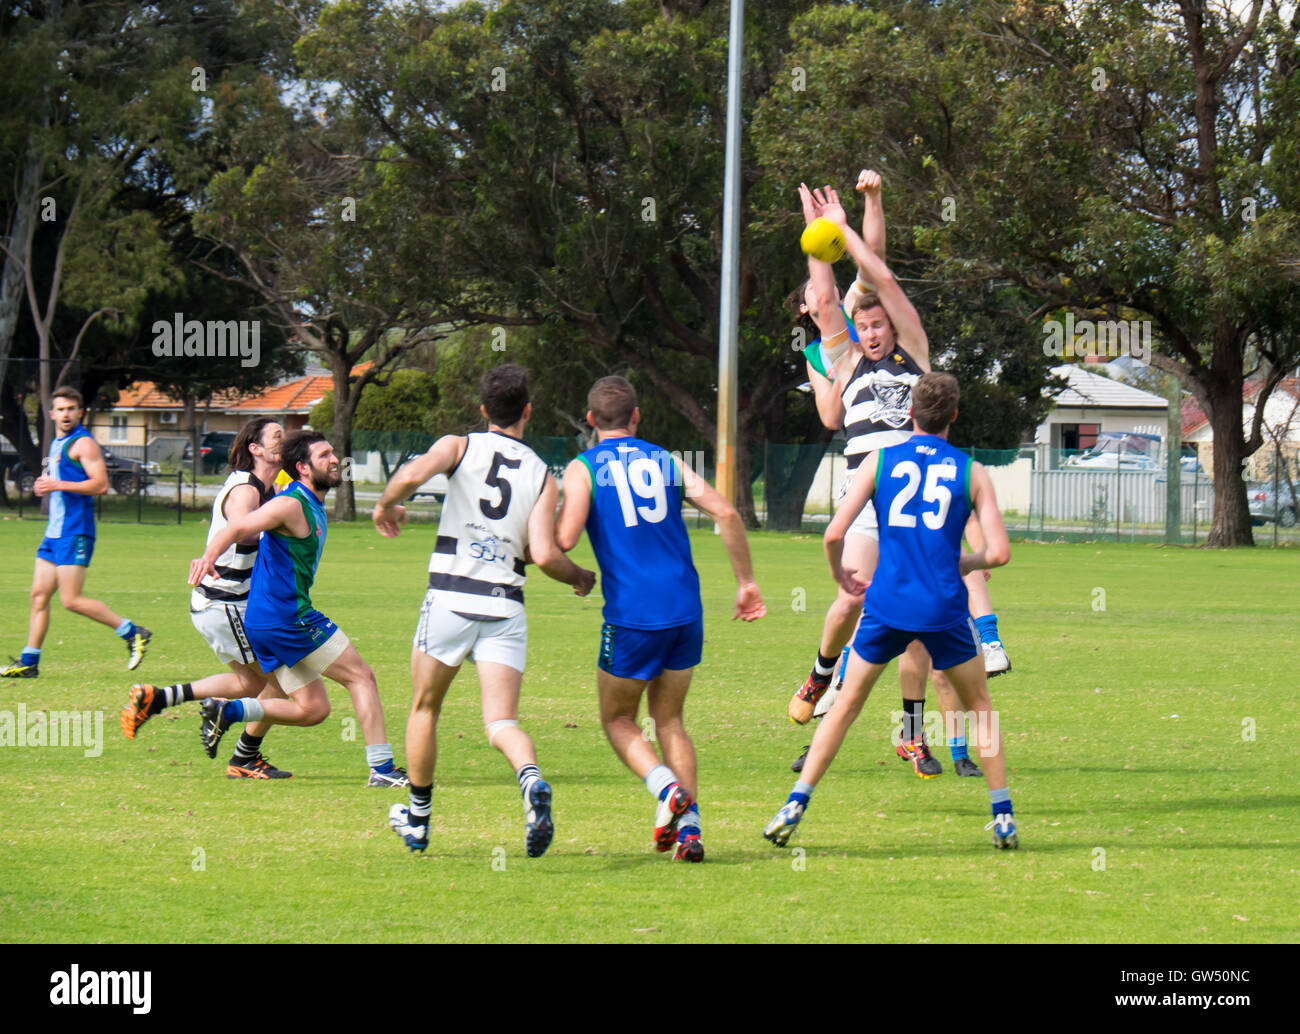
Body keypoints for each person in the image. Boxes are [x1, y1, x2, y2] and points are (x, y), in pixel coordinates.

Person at [785, 176, 1010, 782]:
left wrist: (858, 217)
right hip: (867, 497)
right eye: (869, 325)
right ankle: (821, 671)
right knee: (849, 599)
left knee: (915, 635)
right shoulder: (846, 358)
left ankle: (913, 735)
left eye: (883, 323)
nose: (876, 330)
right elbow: (828, 301)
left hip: (919, 503)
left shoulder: (916, 354)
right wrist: (818, 238)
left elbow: (879, 274)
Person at [764, 372, 1019, 850]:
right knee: (980, 707)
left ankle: (795, 804)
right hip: (943, 608)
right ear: (955, 417)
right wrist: (963, 561)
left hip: (887, 605)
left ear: (908, 415)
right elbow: (999, 554)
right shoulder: (971, 471)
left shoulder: (879, 461)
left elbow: (834, 535)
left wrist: (840, 574)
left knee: (846, 706)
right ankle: (1002, 815)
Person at [374, 365, 596, 858]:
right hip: (504, 607)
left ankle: (418, 818)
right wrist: (581, 577)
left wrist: (385, 505)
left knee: (425, 708)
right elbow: (544, 555)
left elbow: (411, 475)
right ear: (528, 411)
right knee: (501, 723)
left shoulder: (460, 445)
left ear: (482, 410)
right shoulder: (543, 475)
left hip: (451, 597)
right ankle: (531, 781)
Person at [555, 375, 766, 862]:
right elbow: (728, 515)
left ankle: (668, 792)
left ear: (590, 421)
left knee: (617, 719)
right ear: (635, 417)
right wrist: (745, 582)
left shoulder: (584, 468)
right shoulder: (667, 461)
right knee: (669, 719)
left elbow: (564, 540)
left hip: (632, 615)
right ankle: (690, 830)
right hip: (685, 610)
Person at [186, 430, 409, 787]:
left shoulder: (306, 497)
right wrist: (207, 557)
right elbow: (240, 525)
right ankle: (382, 770)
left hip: (268, 622)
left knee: (313, 710)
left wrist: (387, 508)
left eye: (333, 453)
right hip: (287, 618)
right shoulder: (291, 504)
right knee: (362, 677)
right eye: (324, 456)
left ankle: (231, 710)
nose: (335, 459)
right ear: (303, 468)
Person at [121, 418, 294, 779]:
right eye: (277, 436)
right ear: (255, 449)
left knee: (250, 684)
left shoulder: (268, 488)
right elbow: (240, 527)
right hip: (225, 603)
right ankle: (245, 757)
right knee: (280, 682)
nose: (285, 440)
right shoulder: (247, 489)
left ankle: (158, 698)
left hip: (217, 605)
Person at [3, 387, 150, 678]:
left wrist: (57, 486)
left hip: (75, 531)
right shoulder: (57, 442)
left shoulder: (83, 443)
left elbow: (101, 484)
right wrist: (43, 485)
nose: (66, 414)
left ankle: (134, 632)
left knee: (71, 599)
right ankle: (29, 662)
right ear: (51, 413)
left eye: (71, 408)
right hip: (53, 533)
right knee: (38, 596)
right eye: (60, 409)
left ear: (80, 412)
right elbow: (55, 479)